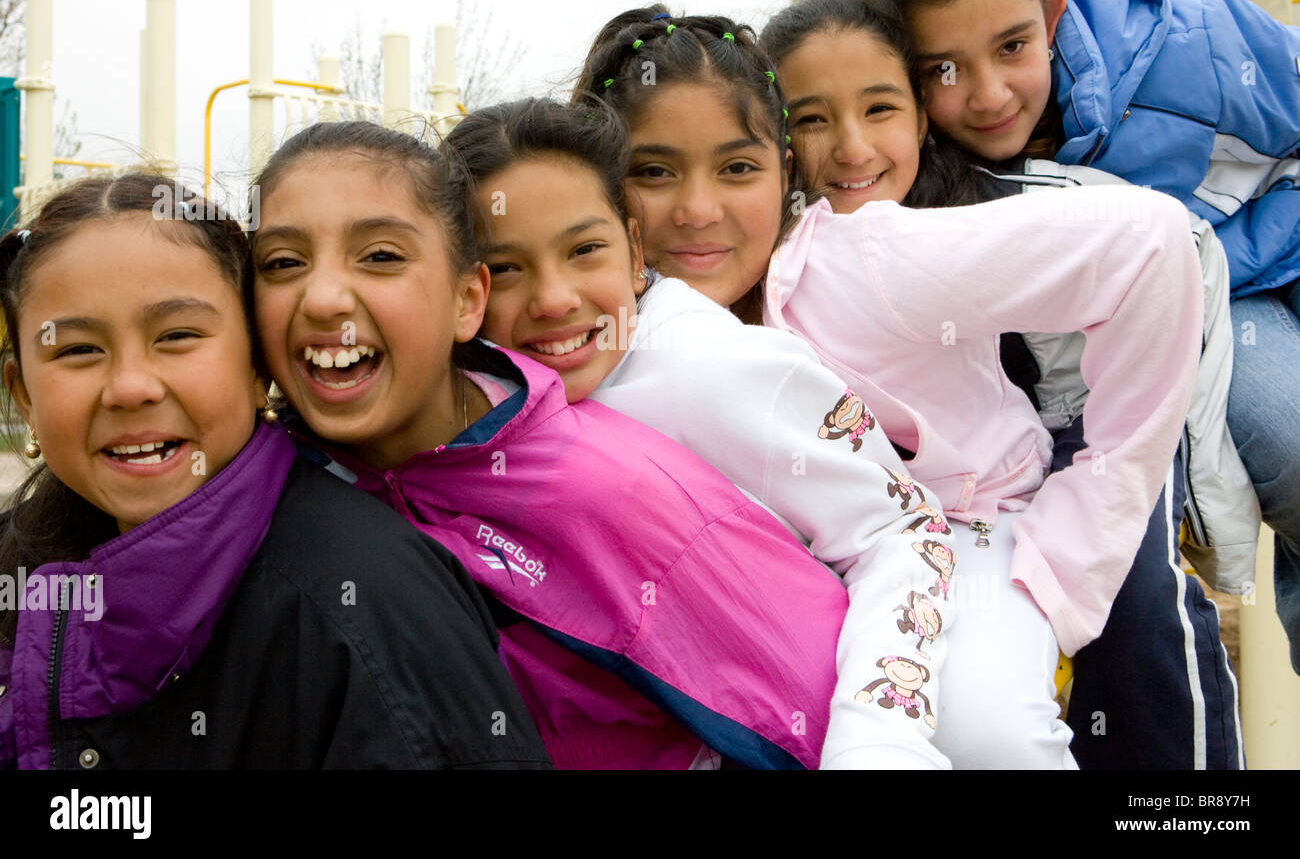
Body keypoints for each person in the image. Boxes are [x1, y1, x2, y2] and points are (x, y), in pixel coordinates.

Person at [577, 6, 1202, 768]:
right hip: (805, 571)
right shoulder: (603, 334)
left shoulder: (858, 262)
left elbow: (1151, 244)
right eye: (653, 171)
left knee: (985, 735)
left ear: (785, 171)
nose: (698, 210)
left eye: (737, 168)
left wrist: (1076, 545)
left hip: (962, 528)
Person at [250, 119, 849, 770]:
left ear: (466, 298)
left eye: (381, 256)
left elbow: (805, 697)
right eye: (284, 263)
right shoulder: (265, 490)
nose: (325, 297)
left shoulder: (612, 488)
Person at [760, 0, 1246, 768]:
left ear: (922, 116)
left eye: (879, 109)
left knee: (1092, 663)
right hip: (877, 538)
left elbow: (1157, 243)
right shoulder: (786, 256)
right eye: (812, 120)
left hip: (998, 513)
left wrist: (1075, 544)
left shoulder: (886, 245)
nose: (850, 148)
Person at [451, 96, 961, 768]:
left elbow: (904, 530)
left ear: (635, 251)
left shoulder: (714, 369)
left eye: (585, 250)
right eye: (508, 269)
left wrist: (877, 737)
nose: (553, 299)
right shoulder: (478, 406)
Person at [865, 0, 1299, 676]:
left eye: (1013, 46)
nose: (992, 94)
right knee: (1288, 436)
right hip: (1218, 307)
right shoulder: (924, 168)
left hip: (1267, 248)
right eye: (945, 69)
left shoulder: (1194, 39)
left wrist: (1228, 255)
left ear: (1051, 7)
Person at [0, 173, 550, 769]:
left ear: (257, 363)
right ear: (22, 393)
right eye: (78, 350)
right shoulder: (20, 563)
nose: (130, 388)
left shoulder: (369, 607)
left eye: (178, 336)